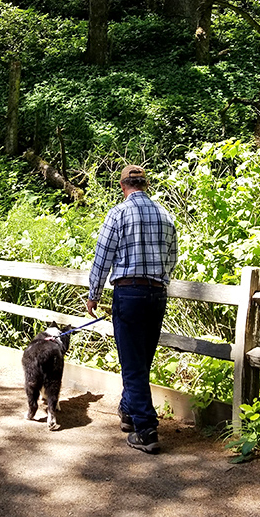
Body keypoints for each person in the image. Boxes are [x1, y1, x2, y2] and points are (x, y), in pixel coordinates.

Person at [87, 165, 177, 454]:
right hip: (157, 294)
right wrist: (161, 282)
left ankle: (146, 429)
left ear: (124, 186)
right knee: (141, 361)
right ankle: (128, 411)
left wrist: (93, 295)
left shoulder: (118, 213)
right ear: (145, 185)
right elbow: (172, 257)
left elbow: (103, 257)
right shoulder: (165, 215)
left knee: (131, 361)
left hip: (129, 292)